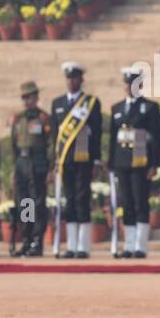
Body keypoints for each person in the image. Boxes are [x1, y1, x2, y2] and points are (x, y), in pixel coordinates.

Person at [108, 66, 160, 258]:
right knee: (127, 203)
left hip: (141, 162)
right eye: (126, 83)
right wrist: (111, 164)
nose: (128, 87)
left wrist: (154, 163)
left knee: (141, 203)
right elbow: (113, 140)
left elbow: (156, 138)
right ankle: (128, 245)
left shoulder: (149, 107)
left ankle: (140, 245)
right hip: (122, 162)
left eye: (133, 83)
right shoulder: (117, 108)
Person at [50, 61, 102, 259]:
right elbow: (55, 136)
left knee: (82, 199)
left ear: (81, 80)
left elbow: (96, 134)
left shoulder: (91, 103)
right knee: (69, 201)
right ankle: (71, 245)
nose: (71, 81)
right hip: (65, 161)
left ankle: (83, 246)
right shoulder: (58, 104)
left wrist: (97, 160)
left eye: (75, 78)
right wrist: (54, 161)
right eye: (69, 78)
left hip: (84, 159)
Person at [10, 82, 52, 257]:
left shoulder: (43, 118)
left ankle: (37, 240)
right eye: (25, 97)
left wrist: (50, 168)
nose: (27, 100)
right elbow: (13, 144)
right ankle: (27, 239)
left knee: (37, 203)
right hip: (23, 162)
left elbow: (50, 144)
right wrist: (15, 166)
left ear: (36, 97)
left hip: (38, 163)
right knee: (25, 203)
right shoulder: (18, 119)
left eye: (30, 97)